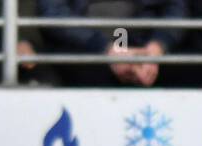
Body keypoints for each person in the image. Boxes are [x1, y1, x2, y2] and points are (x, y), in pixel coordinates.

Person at [37, 0, 187, 87]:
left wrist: (157, 47)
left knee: (196, 71)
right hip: (83, 46)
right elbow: (53, 13)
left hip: (146, 43)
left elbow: (176, 8)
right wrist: (107, 49)